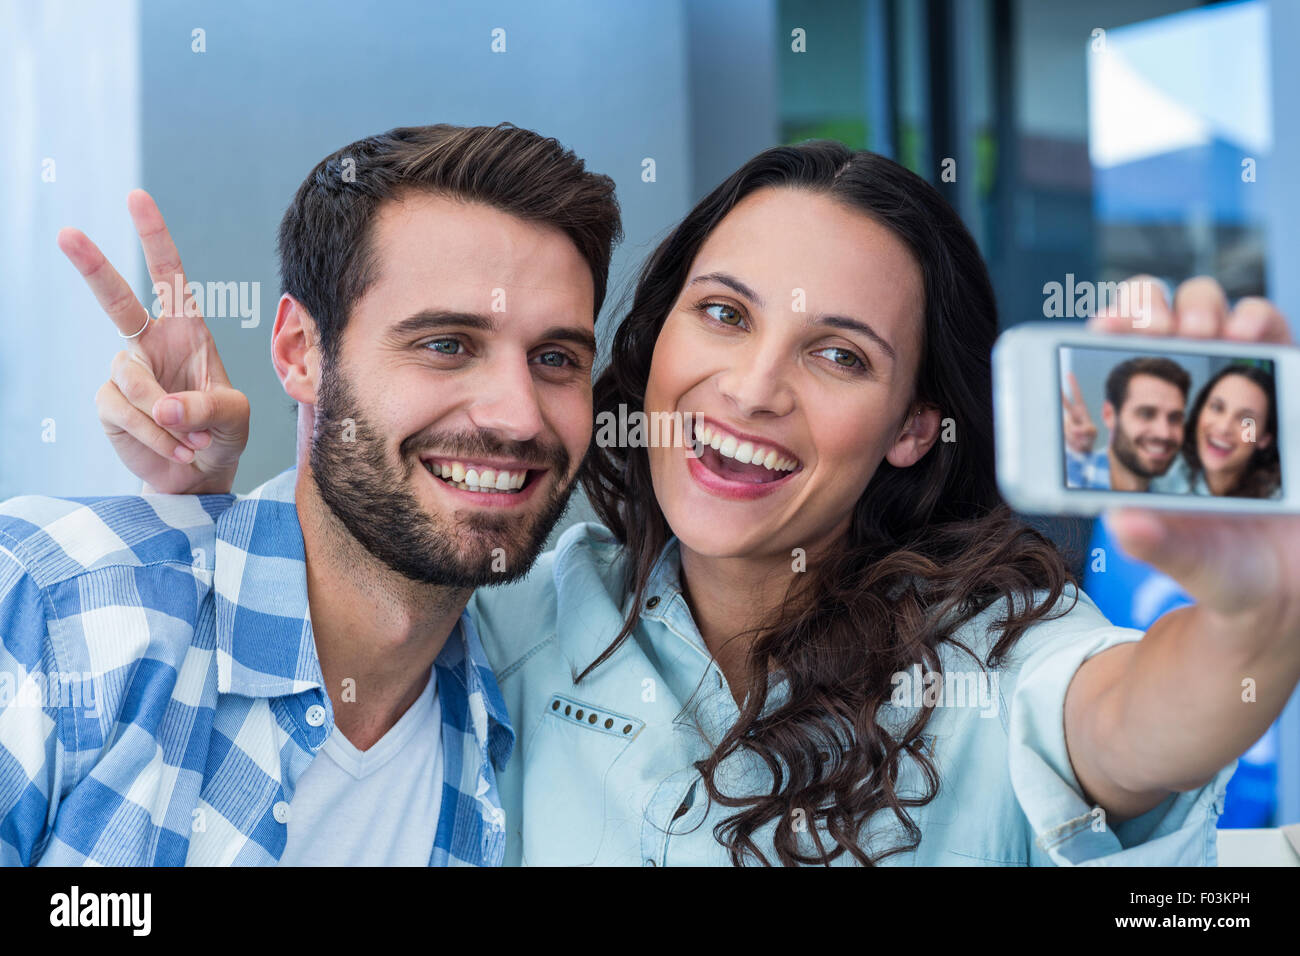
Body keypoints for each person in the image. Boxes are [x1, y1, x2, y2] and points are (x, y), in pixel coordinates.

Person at [18, 137, 1300, 866]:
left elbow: (1137, 720)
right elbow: (370, 548)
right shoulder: (528, 593)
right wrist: (222, 509)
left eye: (840, 354)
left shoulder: (992, 651)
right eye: (724, 314)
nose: (750, 389)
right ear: (659, 335)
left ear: (917, 424)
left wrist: (1255, 608)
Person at [0, 124, 622, 865]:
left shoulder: (511, 730)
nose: (519, 416)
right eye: (446, 345)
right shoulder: (51, 606)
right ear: (301, 352)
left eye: (556, 358)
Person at [1062, 358, 1190, 492]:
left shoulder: (1176, 498)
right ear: (1109, 415)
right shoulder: (1070, 480)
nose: (1164, 433)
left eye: (1175, 418)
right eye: (1146, 414)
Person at [1176, 364, 1281, 499]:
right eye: (1217, 407)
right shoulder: (1162, 477)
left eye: (1246, 419)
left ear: (1263, 439)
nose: (1223, 428)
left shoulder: (1279, 503)